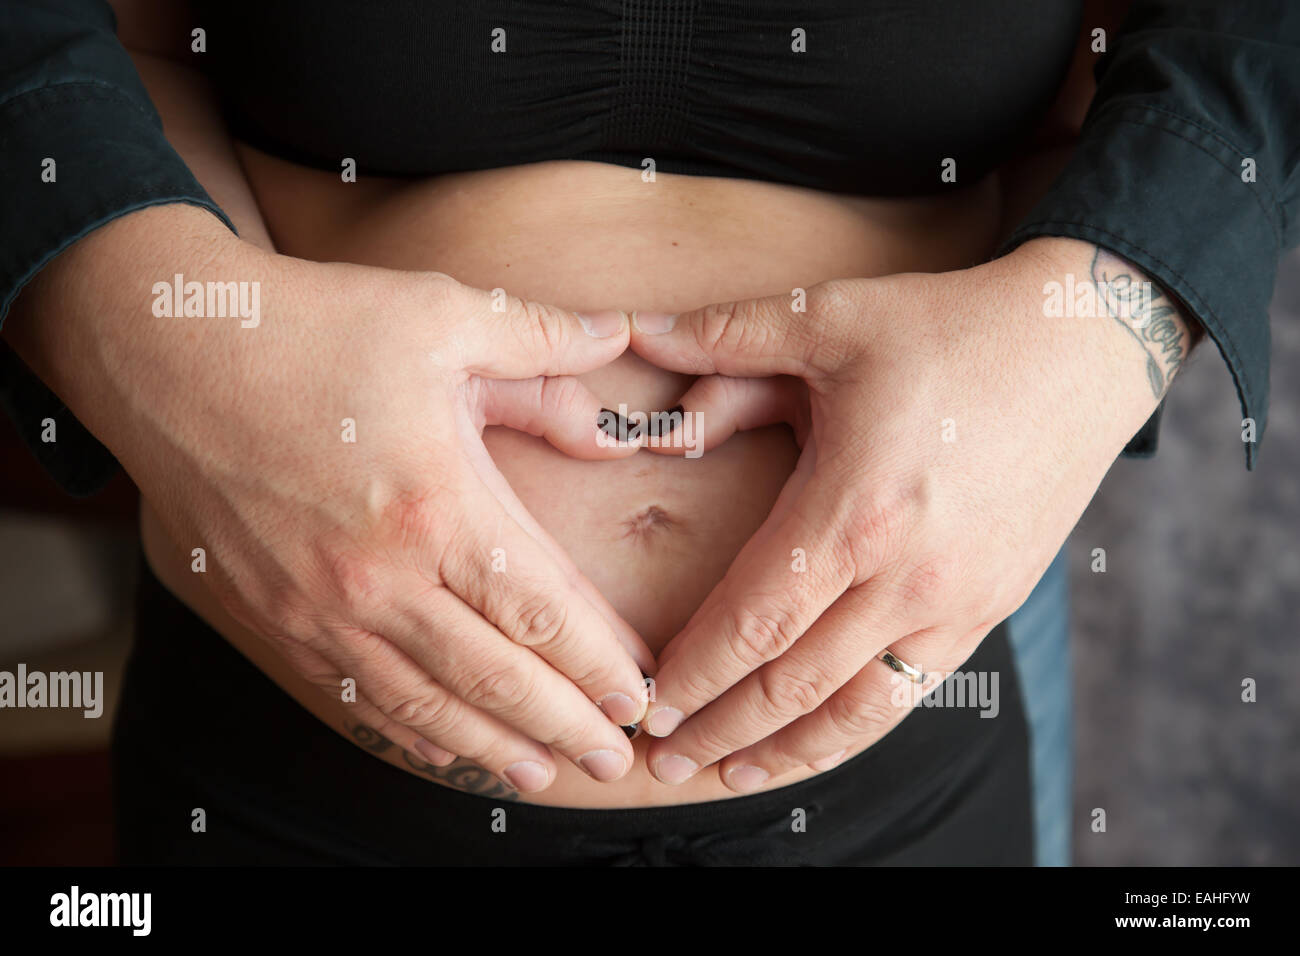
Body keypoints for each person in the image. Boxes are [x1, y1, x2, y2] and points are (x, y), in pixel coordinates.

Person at [1, 0, 1296, 865]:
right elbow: (126, 41)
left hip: (907, 759)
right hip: (301, 719)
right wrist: (158, 324)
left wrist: (1104, 313)